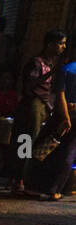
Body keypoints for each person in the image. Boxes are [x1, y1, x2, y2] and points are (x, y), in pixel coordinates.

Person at [6, 29, 67, 190]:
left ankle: (19, 177)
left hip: (42, 105)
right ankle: (18, 178)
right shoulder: (37, 63)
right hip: (32, 105)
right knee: (26, 140)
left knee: (29, 141)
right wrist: (51, 74)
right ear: (50, 44)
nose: (63, 47)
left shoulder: (50, 64)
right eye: (61, 43)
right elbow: (30, 85)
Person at [24, 53, 76, 200]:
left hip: (63, 115)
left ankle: (35, 185)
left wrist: (65, 116)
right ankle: (56, 189)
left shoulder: (66, 69)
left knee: (47, 147)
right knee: (69, 151)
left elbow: (60, 96)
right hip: (70, 114)